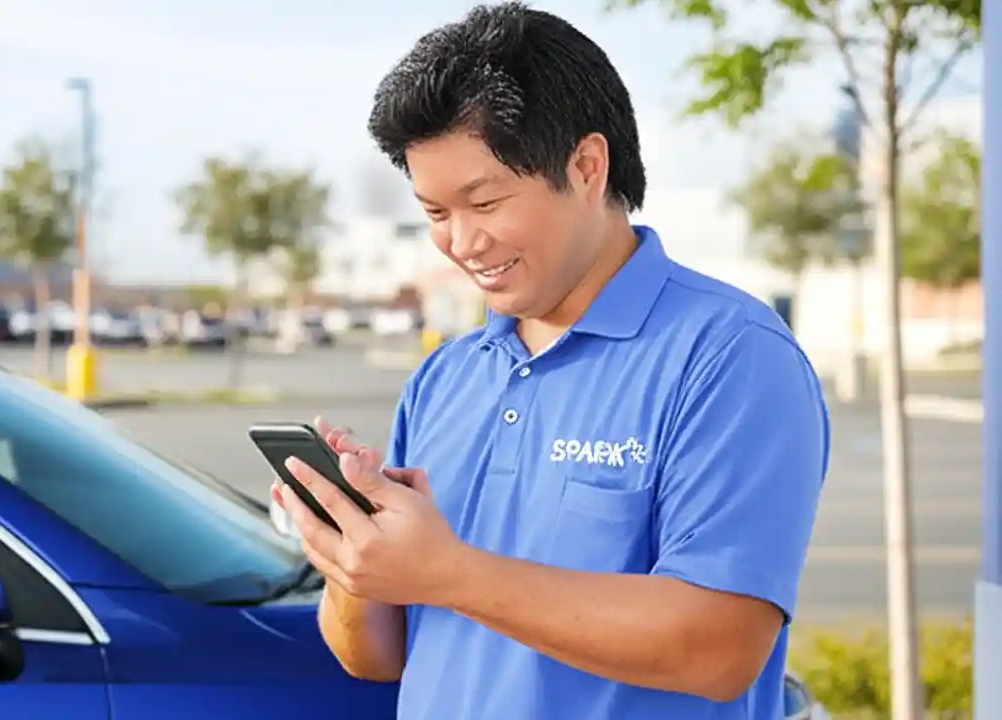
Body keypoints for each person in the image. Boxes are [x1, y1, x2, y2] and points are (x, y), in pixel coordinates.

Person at [270, 3, 830, 719]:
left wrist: (450, 572)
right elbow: (375, 657)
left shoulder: (730, 355)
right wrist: (354, 555)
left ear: (587, 165)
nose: (462, 243)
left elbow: (718, 649)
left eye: (485, 201)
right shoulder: (448, 376)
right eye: (436, 214)